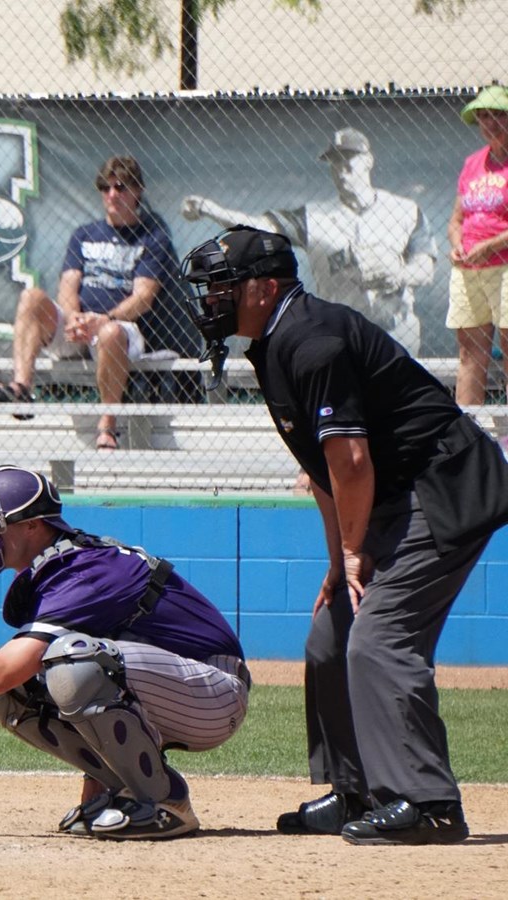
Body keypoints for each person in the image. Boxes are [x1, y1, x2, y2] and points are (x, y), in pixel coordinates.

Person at [183, 224, 508, 845]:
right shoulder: (275, 345)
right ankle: (354, 788)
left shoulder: (313, 341)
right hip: (393, 499)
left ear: (266, 286)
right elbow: (324, 475)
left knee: (380, 640)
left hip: (444, 488)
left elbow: (352, 462)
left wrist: (357, 550)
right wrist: (340, 564)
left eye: (223, 285)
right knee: (332, 635)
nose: (212, 299)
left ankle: (429, 803)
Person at [0, 465, 249, 840]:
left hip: (213, 693)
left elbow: (5, 670)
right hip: (171, 685)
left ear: (32, 525)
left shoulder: (81, 570)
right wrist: (97, 785)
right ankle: (126, 790)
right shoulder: (53, 568)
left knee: (67, 660)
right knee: (19, 689)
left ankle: (165, 801)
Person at [182, 128, 438, 355]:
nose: (341, 169)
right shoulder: (313, 217)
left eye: (348, 159)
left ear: (368, 161)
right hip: (342, 333)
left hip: (397, 332)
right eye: (334, 162)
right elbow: (259, 227)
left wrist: (400, 274)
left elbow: (426, 269)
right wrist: (210, 209)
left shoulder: (405, 211)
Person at [0, 155, 185, 450]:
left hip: (121, 329)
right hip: (79, 327)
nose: (112, 195)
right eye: (104, 187)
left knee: (110, 334)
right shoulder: (83, 234)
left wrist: (103, 320)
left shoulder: (153, 238)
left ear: (137, 191)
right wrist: (73, 318)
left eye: (120, 187)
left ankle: (108, 425)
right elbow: (68, 285)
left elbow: (143, 298)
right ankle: (21, 388)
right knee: (31, 297)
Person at [447, 85, 508, 406]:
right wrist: (457, 245)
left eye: (498, 115)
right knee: (470, 351)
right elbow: (456, 221)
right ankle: (469, 434)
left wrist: (492, 244)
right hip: (470, 269)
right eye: (484, 117)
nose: (491, 124)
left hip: (505, 266)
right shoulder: (473, 163)